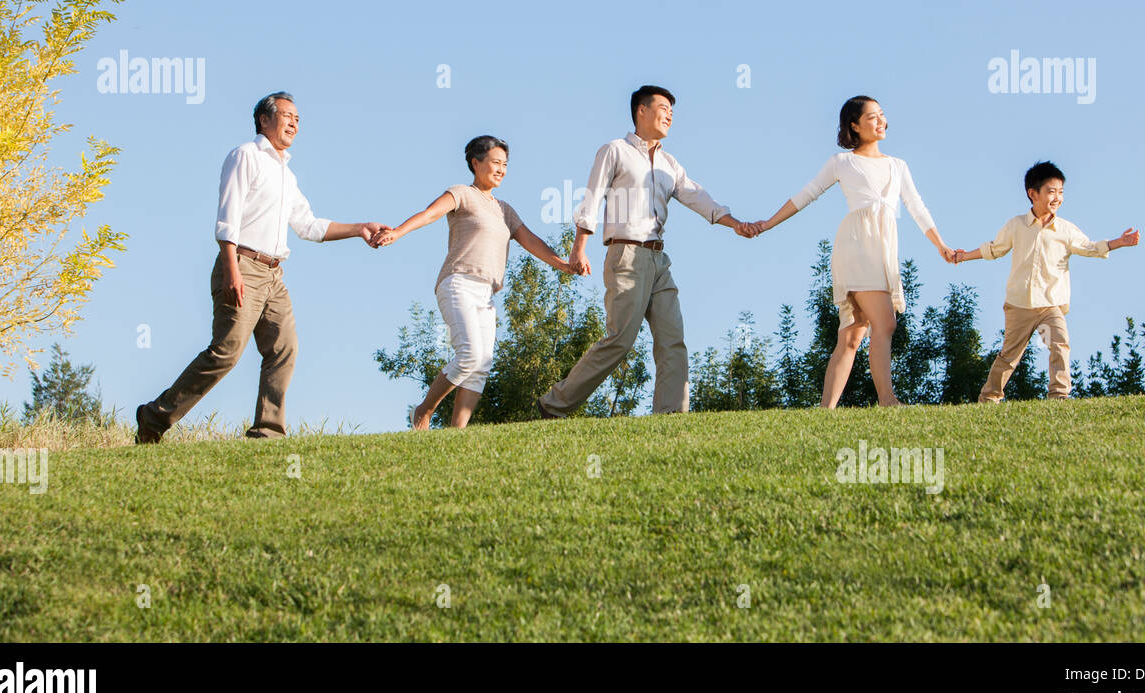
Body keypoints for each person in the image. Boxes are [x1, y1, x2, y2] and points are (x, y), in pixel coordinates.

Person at [135, 92, 385, 443]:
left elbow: (309, 226)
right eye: (287, 115)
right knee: (225, 352)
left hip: (274, 273)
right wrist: (231, 270)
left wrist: (359, 229)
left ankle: (267, 431)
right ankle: (154, 416)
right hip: (241, 266)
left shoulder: (287, 174)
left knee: (284, 348)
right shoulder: (245, 156)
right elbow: (227, 218)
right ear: (264, 120)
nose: (295, 122)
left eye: (298, 117)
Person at [535, 85, 759, 419]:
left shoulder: (670, 163)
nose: (670, 114)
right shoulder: (615, 150)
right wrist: (578, 248)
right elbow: (592, 198)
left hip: (659, 260)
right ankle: (554, 405)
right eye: (663, 107)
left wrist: (735, 223)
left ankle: (670, 416)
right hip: (626, 256)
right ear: (641, 110)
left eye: (672, 110)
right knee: (620, 341)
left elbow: (698, 197)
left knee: (673, 340)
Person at [753, 95, 955, 407]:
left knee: (852, 334)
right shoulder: (841, 162)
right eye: (872, 116)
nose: (881, 121)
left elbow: (917, 208)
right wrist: (767, 224)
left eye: (882, 115)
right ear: (854, 125)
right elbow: (806, 195)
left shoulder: (898, 166)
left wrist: (940, 244)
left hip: (884, 248)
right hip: (857, 245)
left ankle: (825, 410)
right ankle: (888, 399)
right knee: (885, 322)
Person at [377, 136, 575, 428]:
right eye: (495, 162)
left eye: (505, 164)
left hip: (486, 294)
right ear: (475, 163)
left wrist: (563, 264)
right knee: (469, 355)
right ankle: (424, 410)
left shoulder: (505, 210)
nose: (501, 169)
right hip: (458, 282)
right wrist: (397, 232)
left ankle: (457, 433)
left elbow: (530, 240)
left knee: (481, 365)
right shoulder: (462, 193)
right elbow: (430, 214)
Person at [954, 160, 1139, 401]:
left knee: (1059, 343)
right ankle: (989, 397)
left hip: (1050, 304)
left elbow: (1090, 247)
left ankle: (1059, 396)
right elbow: (994, 249)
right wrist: (964, 256)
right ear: (1033, 194)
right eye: (1051, 191)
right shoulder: (1016, 225)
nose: (1057, 198)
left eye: (1061, 192)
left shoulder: (1065, 229)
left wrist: (1118, 242)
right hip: (1019, 304)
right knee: (1009, 356)